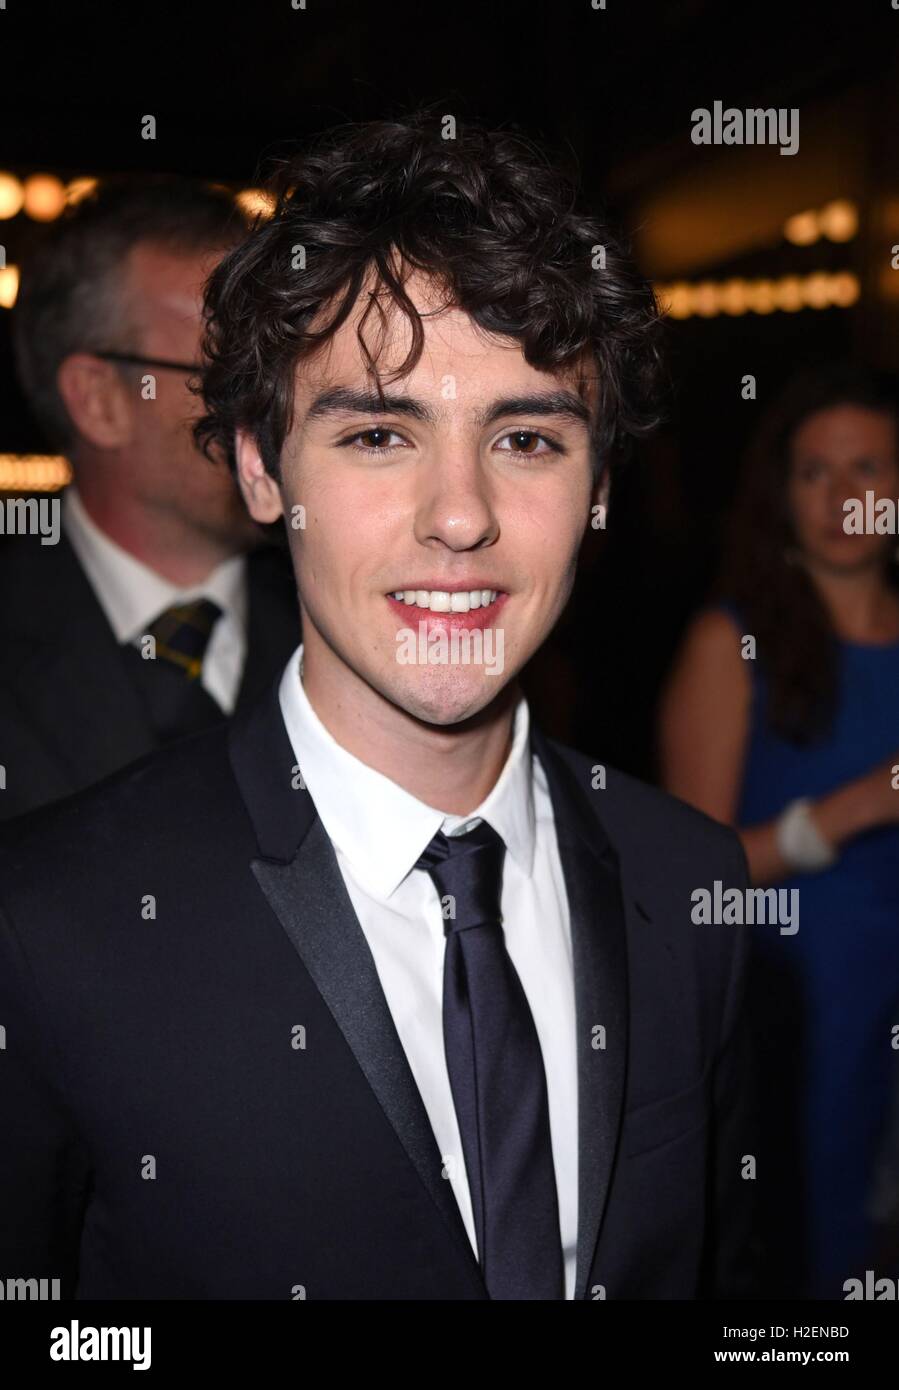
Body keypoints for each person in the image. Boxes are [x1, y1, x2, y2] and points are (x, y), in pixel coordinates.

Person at [0, 114, 755, 1300]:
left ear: (597, 487)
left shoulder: (688, 882)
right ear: (259, 464)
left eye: (523, 437)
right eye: (376, 434)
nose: (458, 516)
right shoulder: (46, 920)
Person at [658, 364, 899, 1297]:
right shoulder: (733, 641)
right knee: (814, 1267)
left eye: (868, 468)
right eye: (812, 472)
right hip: (800, 1011)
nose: (842, 497)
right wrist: (859, 806)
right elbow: (693, 876)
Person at [0, 177, 298, 819]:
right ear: (101, 401)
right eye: (227, 372)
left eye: (279, 369)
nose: (274, 404)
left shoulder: (354, 626)